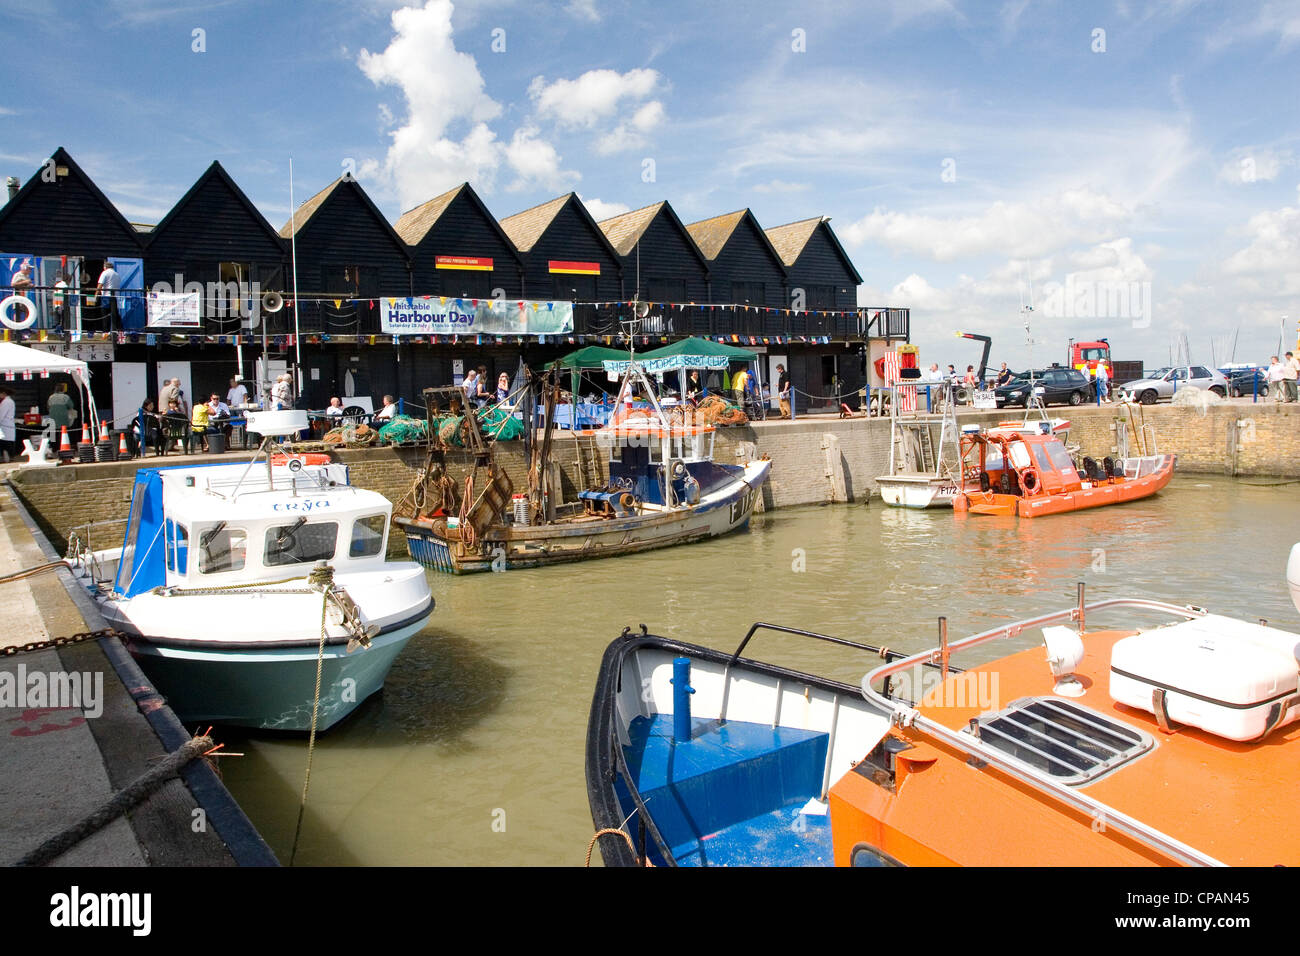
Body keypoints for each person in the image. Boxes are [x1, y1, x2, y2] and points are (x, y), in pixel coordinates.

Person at [0, 386, 15, 464]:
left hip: (5, 426)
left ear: (3, 393)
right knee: (6, 443)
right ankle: (8, 457)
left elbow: (1, 414)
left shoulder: (6, 402)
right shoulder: (8, 401)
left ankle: (7, 458)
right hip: (6, 426)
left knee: (5, 443)